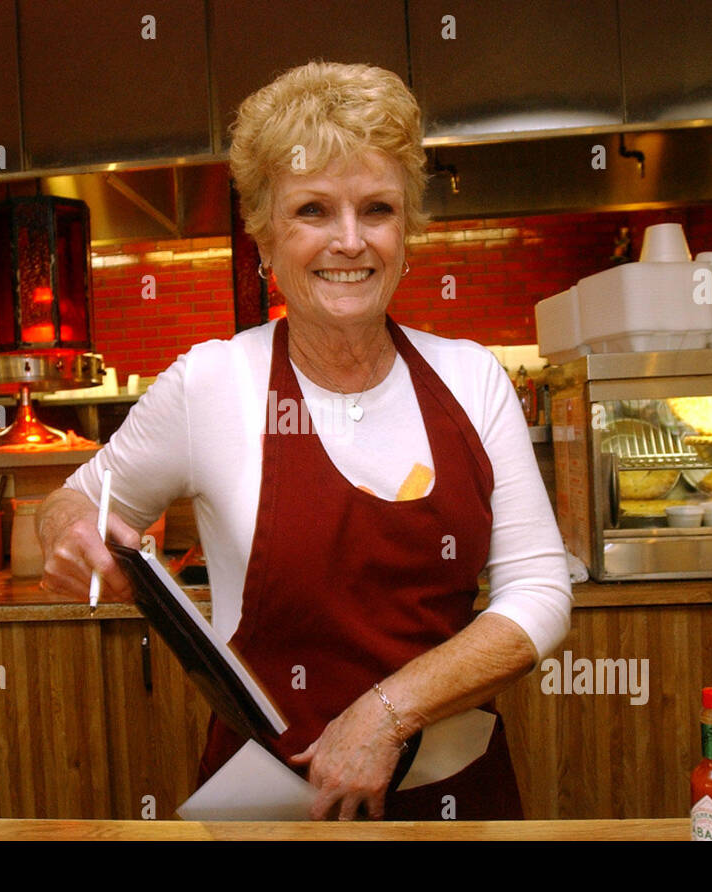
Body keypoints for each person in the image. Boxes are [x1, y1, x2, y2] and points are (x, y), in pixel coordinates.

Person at [38, 61, 571, 821]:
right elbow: (73, 499)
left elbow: (541, 595)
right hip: (269, 808)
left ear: (408, 226)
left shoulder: (472, 378)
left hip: (452, 801)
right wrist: (68, 533)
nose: (349, 242)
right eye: (313, 210)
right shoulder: (212, 383)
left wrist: (385, 713)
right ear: (264, 231)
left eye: (377, 209)